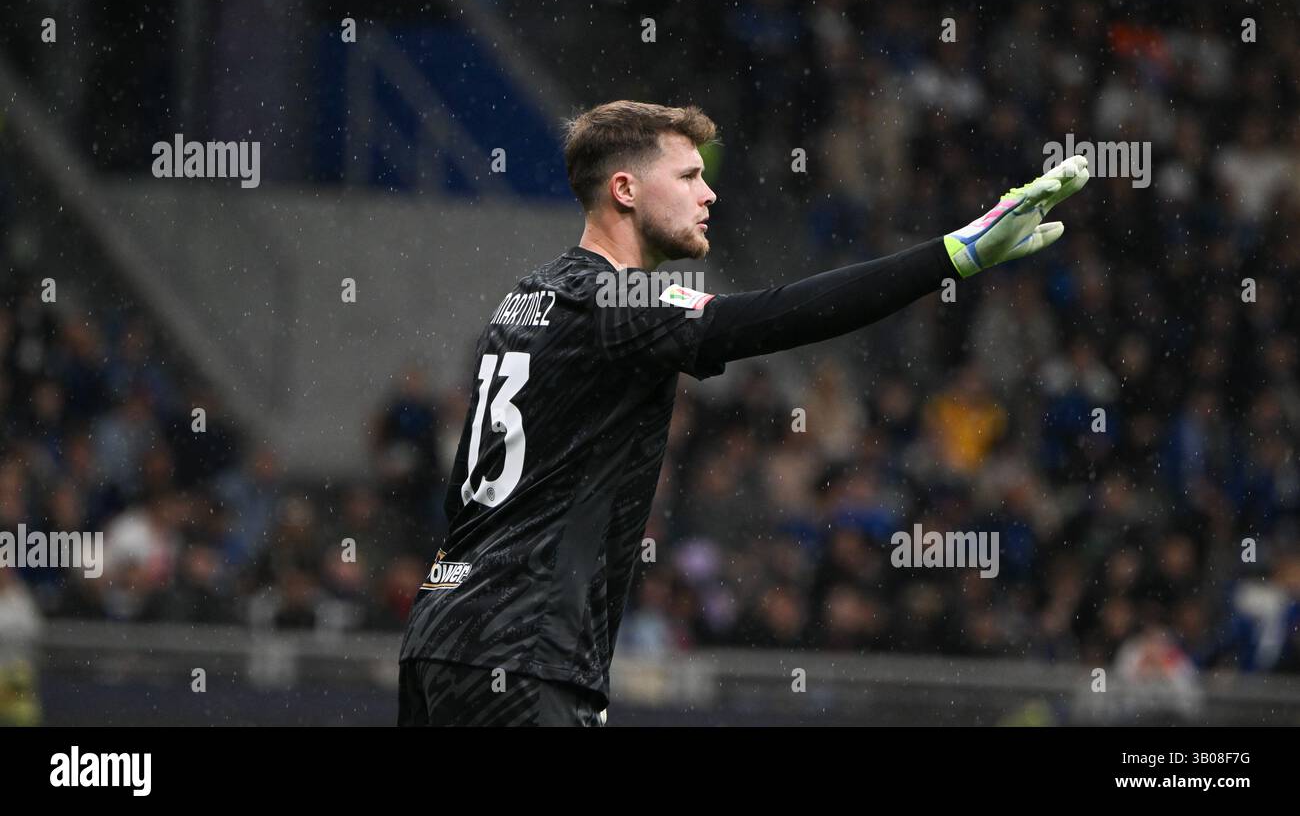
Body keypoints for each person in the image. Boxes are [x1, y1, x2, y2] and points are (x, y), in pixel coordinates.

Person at [397, 99, 1089, 726]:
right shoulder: (615, 304)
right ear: (626, 189)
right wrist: (952, 255)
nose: (710, 193)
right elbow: (774, 316)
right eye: (691, 175)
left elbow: (470, 491)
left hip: (440, 640)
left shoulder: (528, 298)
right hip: (521, 652)